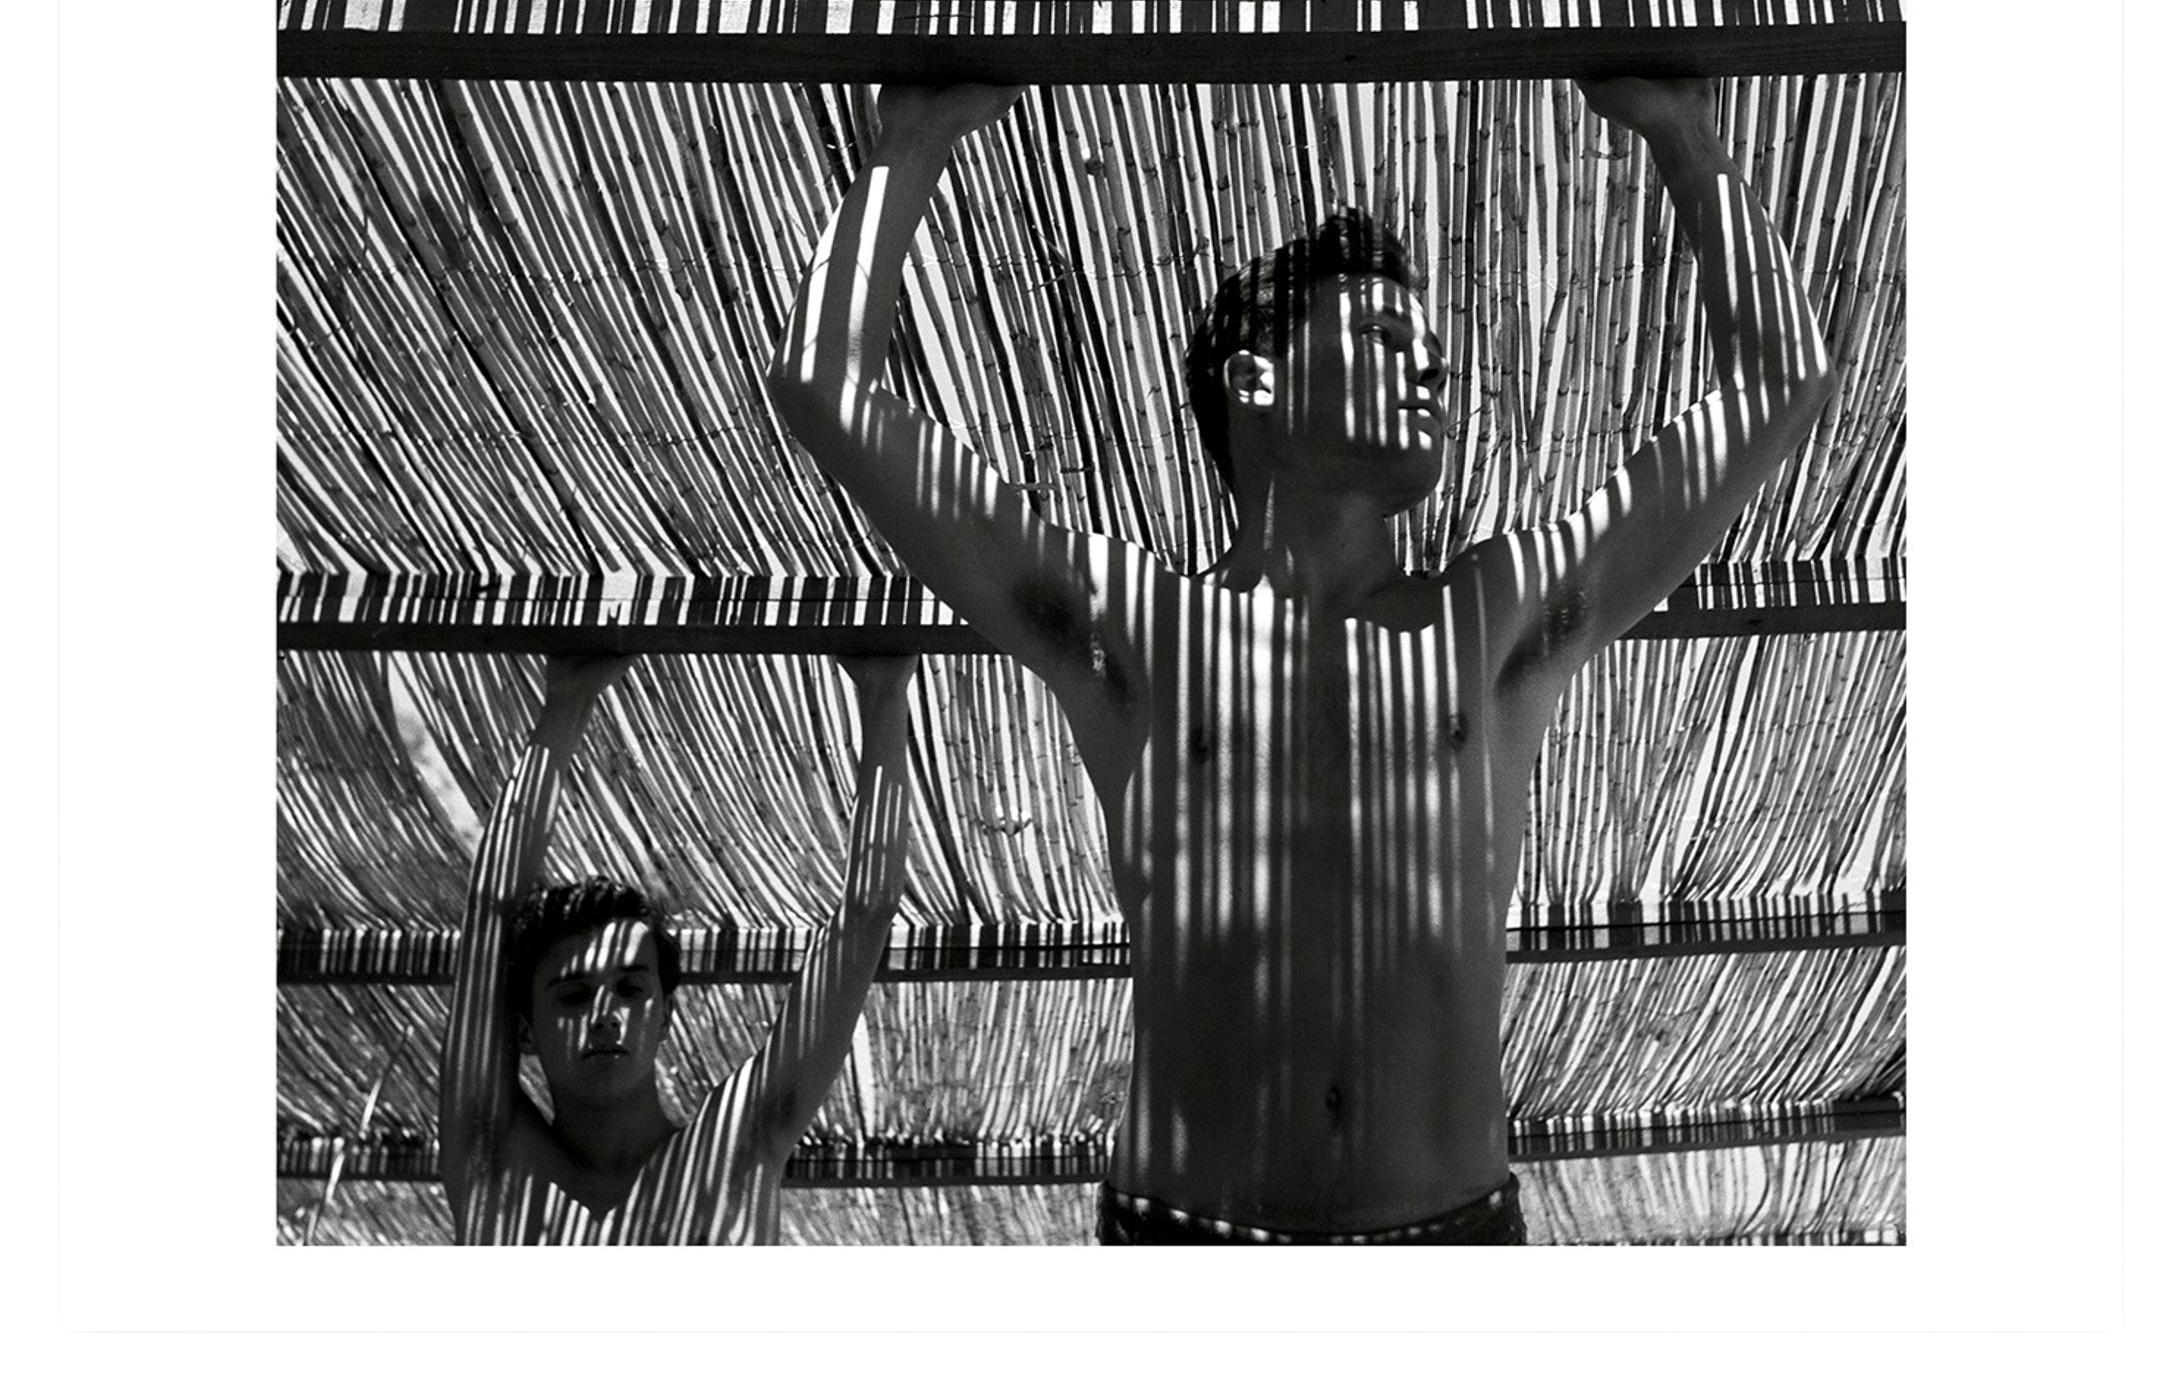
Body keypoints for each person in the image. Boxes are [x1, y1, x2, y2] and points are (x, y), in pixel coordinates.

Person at [767, 75, 1836, 1247]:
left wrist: (1681, 134)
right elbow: (827, 387)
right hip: (1189, 1242)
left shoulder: (1491, 615)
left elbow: (1781, 386)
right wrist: (917, 135)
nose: (1431, 366)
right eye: (1384, 334)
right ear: (1255, 379)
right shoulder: (1138, 626)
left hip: (1450, 1243)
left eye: (1433, 346)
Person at [437, 649, 918, 1243]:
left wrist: (884, 690)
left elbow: (866, 914)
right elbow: (489, 914)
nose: (606, 1015)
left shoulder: (733, 1150)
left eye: (631, 988)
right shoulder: (493, 1159)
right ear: (526, 1030)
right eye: (573, 995)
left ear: (665, 1013)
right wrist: (566, 702)